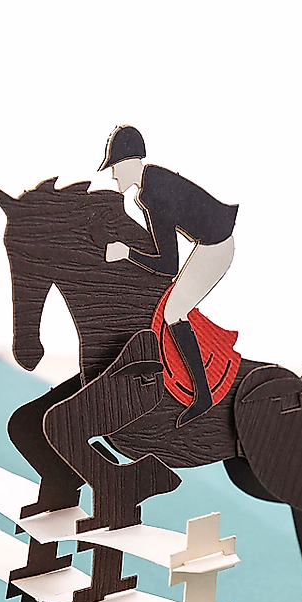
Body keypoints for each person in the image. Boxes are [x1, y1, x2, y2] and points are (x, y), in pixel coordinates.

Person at [99, 124, 238, 425]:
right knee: (174, 304)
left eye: (115, 167)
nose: (113, 175)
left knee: (174, 311)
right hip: (210, 243)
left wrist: (127, 253)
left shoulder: (153, 195)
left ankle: (202, 396)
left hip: (215, 247)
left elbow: (167, 265)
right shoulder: (152, 181)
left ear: (129, 162)